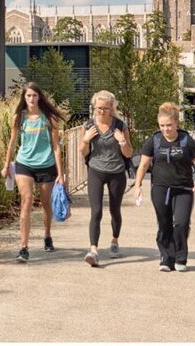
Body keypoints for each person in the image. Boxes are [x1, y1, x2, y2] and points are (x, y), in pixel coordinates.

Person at [134, 101, 195, 272]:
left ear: (176, 124)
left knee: (181, 223)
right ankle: (166, 258)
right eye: (162, 126)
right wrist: (138, 185)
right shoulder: (154, 141)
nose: (166, 129)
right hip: (160, 189)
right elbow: (143, 166)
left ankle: (181, 258)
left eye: (169, 125)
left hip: (183, 189)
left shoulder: (186, 141)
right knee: (164, 224)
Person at [2, 81, 65, 263]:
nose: (31, 99)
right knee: (26, 200)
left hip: (46, 164)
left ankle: (47, 234)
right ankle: (24, 247)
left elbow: (56, 147)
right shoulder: (18, 118)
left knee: (45, 203)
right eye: (28, 95)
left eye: (34, 95)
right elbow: (13, 142)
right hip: (24, 164)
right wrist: (7, 165)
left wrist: (60, 174)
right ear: (24, 97)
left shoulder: (49, 118)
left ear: (39, 97)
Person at [79, 90, 133, 267]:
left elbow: (129, 153)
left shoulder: (120, 126)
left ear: (112, 108)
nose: (102, 112)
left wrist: (122, 141)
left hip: (116, 172)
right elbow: (83, 151)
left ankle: (115, 241)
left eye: (106, 109)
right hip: (96, 170)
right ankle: (93, 249)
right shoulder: (88, 125)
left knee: (115, 210)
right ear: (94, 108)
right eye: (99, 108)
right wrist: (86, 140)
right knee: (96, 211)